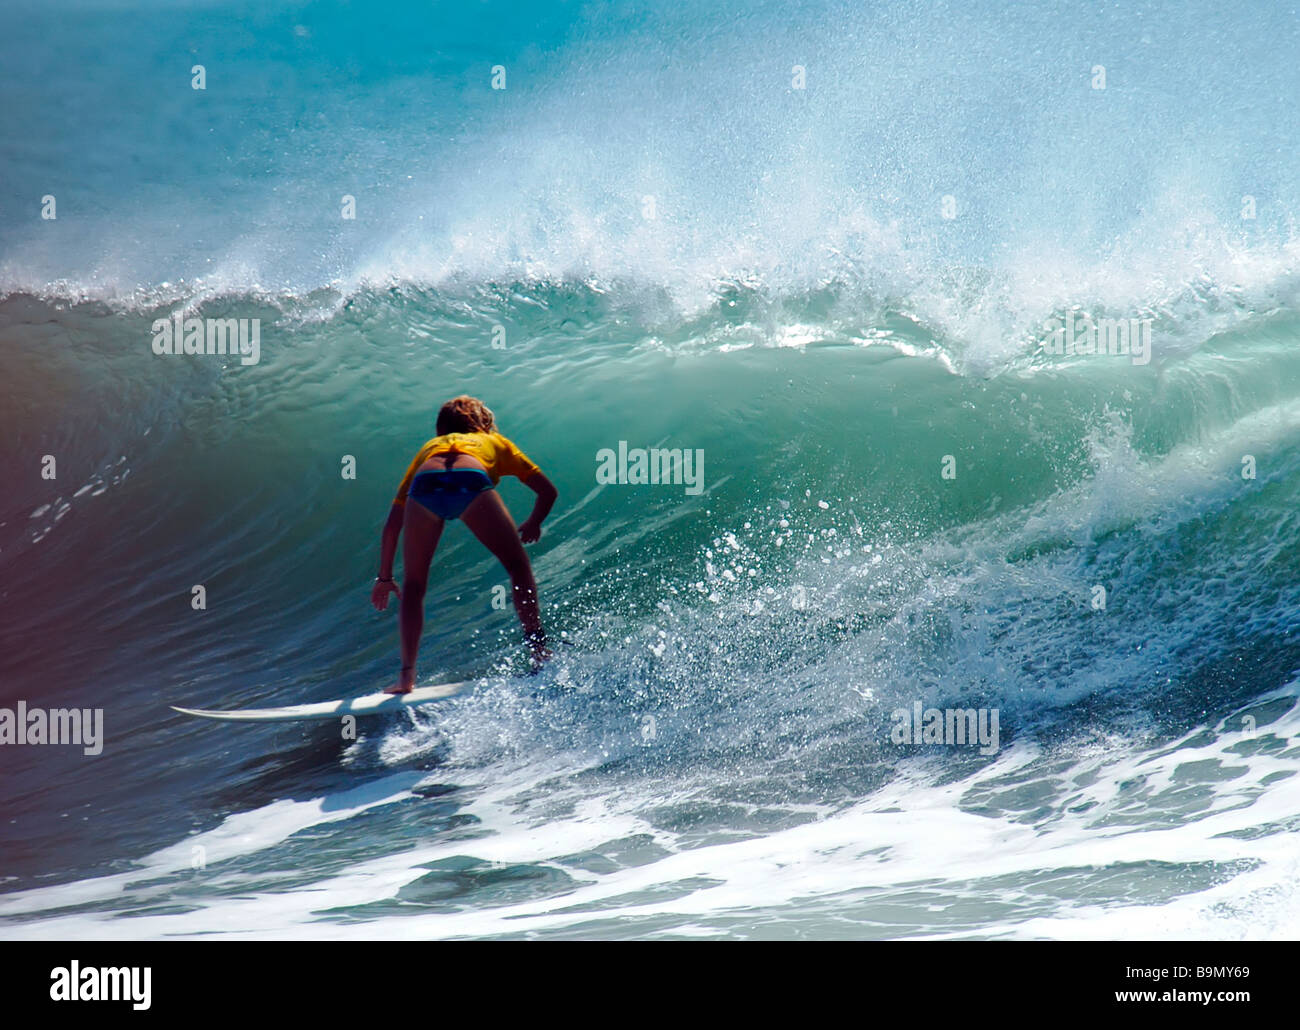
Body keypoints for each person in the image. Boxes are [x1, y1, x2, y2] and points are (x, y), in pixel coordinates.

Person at [371, 396, 557, 693]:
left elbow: (393, 524)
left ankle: (406, 677)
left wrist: (384, 577)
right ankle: (539, 652)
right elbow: (548, 491)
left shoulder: (428, 449)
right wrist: (534, 522)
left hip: (426, 484)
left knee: (415, 585)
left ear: (442, 427)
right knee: (518, 567)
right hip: (468, 479)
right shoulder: (495, 442)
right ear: (483, 422)